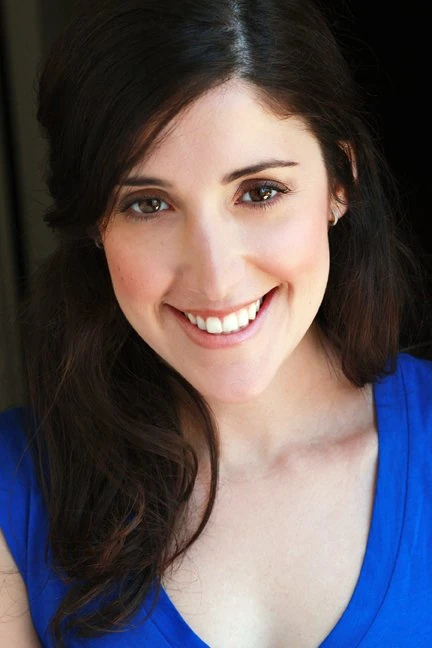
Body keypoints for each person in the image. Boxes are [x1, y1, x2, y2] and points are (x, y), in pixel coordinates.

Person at [0, 0, 431, 646]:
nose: (216, 277)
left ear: (340, 183)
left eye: (259, 192)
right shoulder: (14, 492)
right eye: (148, 204)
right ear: (95, 226)